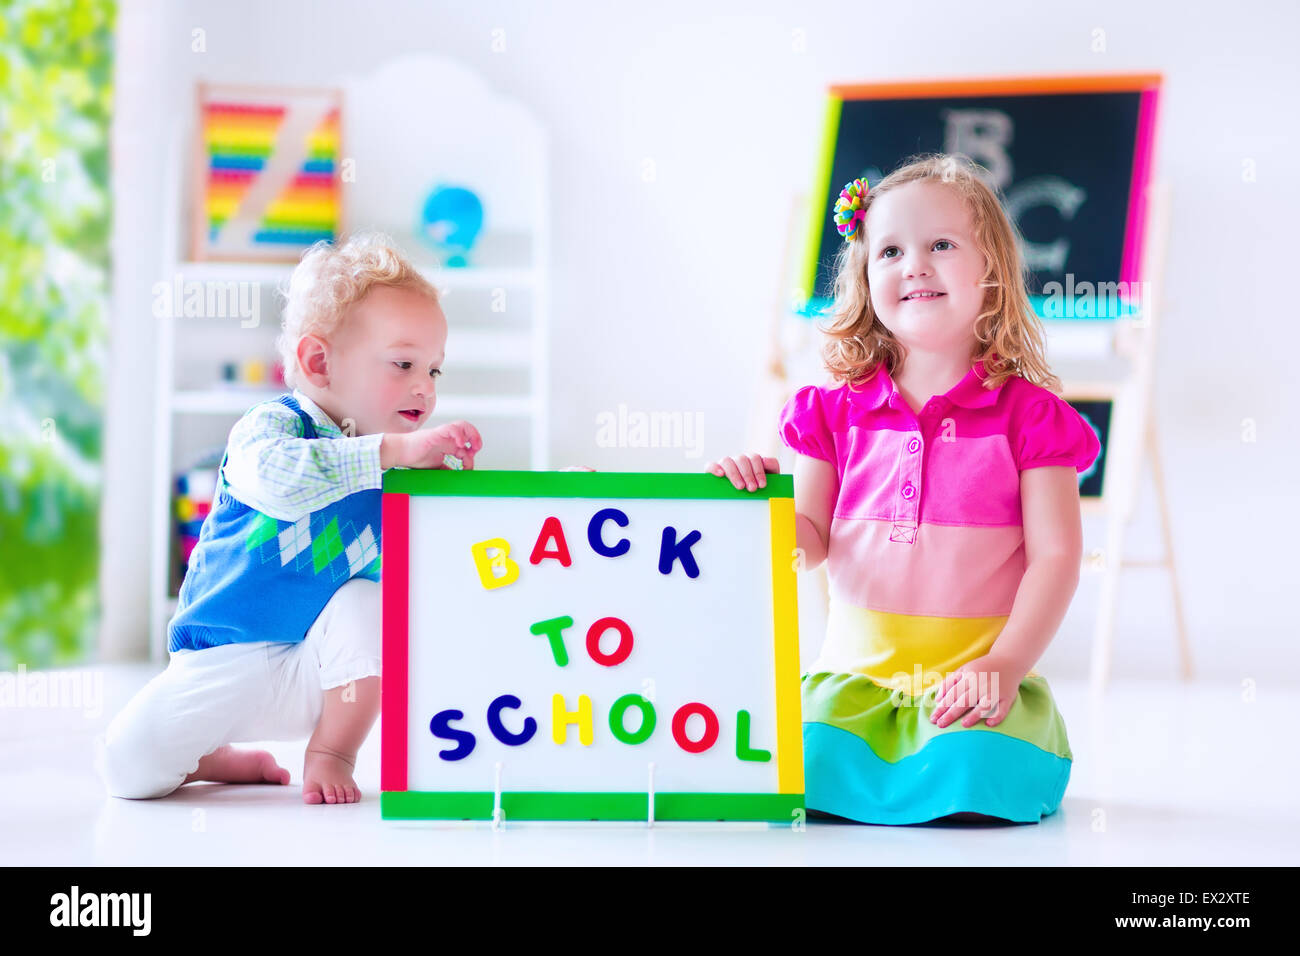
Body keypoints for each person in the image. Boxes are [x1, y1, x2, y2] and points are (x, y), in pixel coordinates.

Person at [706, 154, 1100, 825]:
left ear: (993, 272)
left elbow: (1057, 557)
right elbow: (806, 544)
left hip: (975, 684)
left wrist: (1005, 665)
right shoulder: (830, 414)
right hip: (855, 686)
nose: (914, 264)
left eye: (941, 245)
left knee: (974, 768)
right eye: (890, 250)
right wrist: (753, 506)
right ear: (865, 276)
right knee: (795, 765)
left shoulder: (1031, 417)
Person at [97, 232, 483, 805]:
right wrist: (394, 452)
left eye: (434, 371)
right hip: (225, 657)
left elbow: (467, 530)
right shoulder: (271, 429)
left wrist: (552, 494)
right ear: (319, 362)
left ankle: (333, 750)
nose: (424, 388)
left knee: (368, 602)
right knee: (128, 769)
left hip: (321, 672)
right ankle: (207, 757)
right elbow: (283, 480)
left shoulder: (404, 465)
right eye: (404, 364)